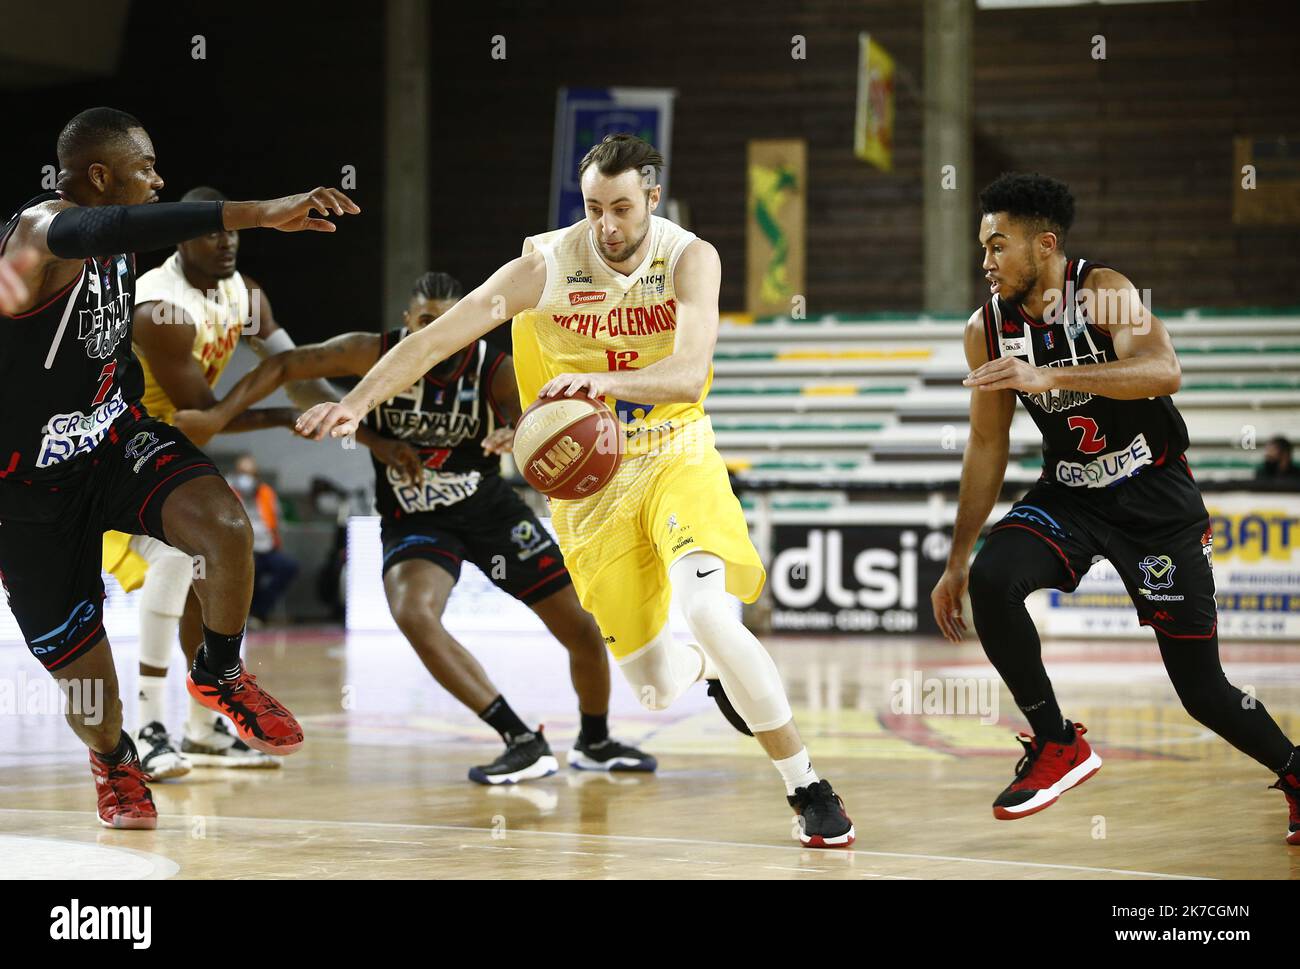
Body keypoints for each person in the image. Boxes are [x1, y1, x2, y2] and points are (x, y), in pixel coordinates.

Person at [294, 135, 854, 846]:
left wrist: (607, 384)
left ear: (653, 197)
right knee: (652, 685)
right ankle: (716, 670)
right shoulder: (546, 265)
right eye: (595, 208)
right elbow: (435, 341)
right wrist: (355, 403)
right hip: (588, 484)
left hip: (673, 451)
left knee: (712, 612)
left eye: (623, 207)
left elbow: (687, 374)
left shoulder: (690, 258)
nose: (609, 225)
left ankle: (806, 785)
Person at [0, 105, 356, 828]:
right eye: (146, 169)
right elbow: (97, 229)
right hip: (28, 489)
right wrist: (256, 211)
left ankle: (220, 673)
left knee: (225, 526)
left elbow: (131, 233)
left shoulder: (132, 240)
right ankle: (115, 759)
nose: (160, 181)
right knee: (91, 693)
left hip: (113, 440)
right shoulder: (37, 234)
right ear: (99, 177)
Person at [930, 171, 1299, 844]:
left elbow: (1164, 369)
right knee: (992, 576)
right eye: (982, 248)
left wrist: (1051, 375)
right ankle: (1056, 740)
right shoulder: (985, 328)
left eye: (997, 245)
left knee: (1202, 690)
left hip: (1153, 498)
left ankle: (1296, 770)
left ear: (1045, 245)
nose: (985, 261)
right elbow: (987, 445)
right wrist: (956, 559)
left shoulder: (1103, 291)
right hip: (1069, 494)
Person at [191, 270, 657, 783]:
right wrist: (218, 414)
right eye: (424, 321)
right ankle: (520, 739)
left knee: (582, 629)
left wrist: (513, 436)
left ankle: (595, 739)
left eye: (449, 320)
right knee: (413, 610)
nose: (434, 330)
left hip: (489, 512)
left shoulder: (494, 370)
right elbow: (285, 363)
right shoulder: (376, 352)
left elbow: (538, 425)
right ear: (406, 322)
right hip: (415, 518)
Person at [104, 185, 344, 776]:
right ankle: (151, 728)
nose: (226, 240)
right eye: (212, 230)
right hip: (118, 454)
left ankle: (203, 731)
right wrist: (285, 417)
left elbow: (298, 369)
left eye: (232, 230)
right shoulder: (159, 310)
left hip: (172, 454)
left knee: (210, 577)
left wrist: (348, 413)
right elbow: (206, 416)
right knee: (173, 562)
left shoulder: (248, 295)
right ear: (182, 237)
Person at [229, 454, 299, 626]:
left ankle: (260, 611)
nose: (247, 478)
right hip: (240, 549)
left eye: (251, 473)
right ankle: (247, 614)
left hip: (267, 547)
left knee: (288, 566)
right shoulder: (226, 490)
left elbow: (276, 520)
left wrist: (275, 543)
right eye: (243, 472)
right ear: (236, 472)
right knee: (252, 571)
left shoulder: (266, 492)